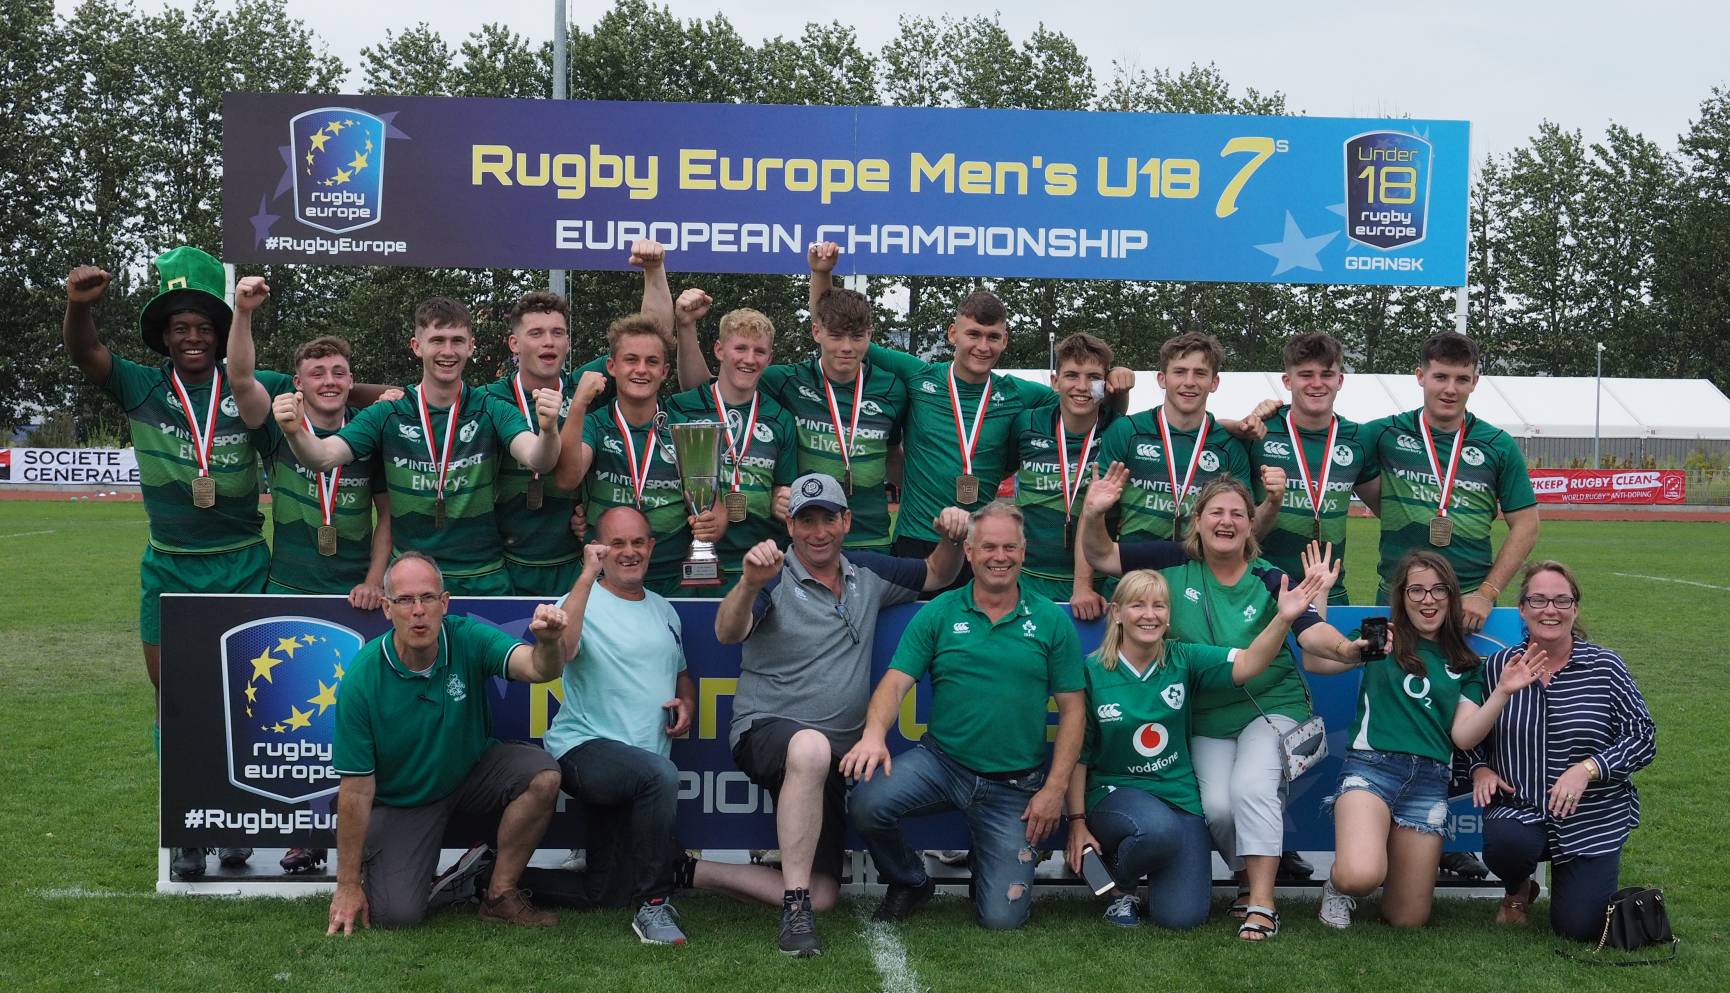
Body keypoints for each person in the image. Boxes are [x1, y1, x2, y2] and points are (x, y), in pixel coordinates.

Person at [62, 248, 293, 880]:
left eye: (203, 327)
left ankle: (235, 818)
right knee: (175, 701)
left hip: (244, 564)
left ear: (221, 334)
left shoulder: (257, 386)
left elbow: (330, 389)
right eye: (179, 328)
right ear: (164, 336)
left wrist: (400, 397)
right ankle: (187, 826)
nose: (192, 337)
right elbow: (86, 354)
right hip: (168, 569)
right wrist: (80, 306)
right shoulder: (141, 385)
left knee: (246, 700)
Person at [1080, 467, 1374, 939]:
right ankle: (1244, 876)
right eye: (1215, 511)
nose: (1227, 521)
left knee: (1251, 787)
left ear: (1251, 524)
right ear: (1197, 520)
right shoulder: (1169, 560)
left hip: (1271, 706)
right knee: (1216, 805)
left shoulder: (1271, 576)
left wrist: (1347, 649)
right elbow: (1099, 552)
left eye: (1238, 513)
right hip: (1205, 715)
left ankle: (1262, 901)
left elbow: (1310, 630)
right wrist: (1094, 512)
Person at [688, 473, 968, 956]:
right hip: (765, 732)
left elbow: (938, 574)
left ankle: (690, 871)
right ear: (791, 527)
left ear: (846, 521)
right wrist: (747, 583)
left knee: (826, 894)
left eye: (828, 520)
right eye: (806, 521)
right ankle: (793, 911)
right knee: (811, 747)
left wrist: (953, 538)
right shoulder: (771, 575)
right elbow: (728, 633)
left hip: (831, 762)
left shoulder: (868, 572)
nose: (818, 532)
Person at [804, 243, 1135, 574]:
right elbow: (842, 329)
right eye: (973, 334)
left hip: (982, 548)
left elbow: (1088, 406)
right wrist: (822, 273)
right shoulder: (919, 377)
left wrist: (1115, 387)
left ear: (1005, 340)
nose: (982, 346)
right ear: (953, 334)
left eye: (993, 337)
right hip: (918, 539)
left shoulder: (1018, 393)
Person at [844, 500, 1085, 931]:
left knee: (1002, 919)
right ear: (969, 553)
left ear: (1024, 551)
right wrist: (874, 735)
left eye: (1010, 547)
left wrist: (1054, 789)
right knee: (866, 801)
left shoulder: (1050, 619)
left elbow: (1073, 710)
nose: (1000, 557)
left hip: (1016, 786)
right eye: (989, 547)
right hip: (943, 765)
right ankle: (910, 880)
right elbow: (896, 682)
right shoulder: (939, 612)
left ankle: (988, 857)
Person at [1064, 565, 1329, 930]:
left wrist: (1284, 618)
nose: (1150, 615)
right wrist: (1076, 822)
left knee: (1182, 917)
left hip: (1178, 796)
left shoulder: (1183, 658)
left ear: (1169, 615)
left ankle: (1139, 866)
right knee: (1157, 830)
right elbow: (1078, 754)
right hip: (1116, 793)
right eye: (1138, 605)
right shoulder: (1092, 671)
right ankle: (1117, 887)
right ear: (1117, 613)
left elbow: (1250, 662)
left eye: (1159, 606)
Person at [326, 552, 569, 932]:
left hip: (469, 773)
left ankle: (499, 893)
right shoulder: (361, 680)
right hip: (405, 801)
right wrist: (346, 886)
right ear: (387, 609)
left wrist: (550, 642)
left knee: (543, 776)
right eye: (405, 600)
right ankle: (446, 871)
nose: (418, 611)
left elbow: (538, 668)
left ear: (445, 603)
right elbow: (355, 792)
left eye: (427, 598)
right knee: (397, 917)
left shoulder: (466, 636)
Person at [1309, 550, 1545, 929]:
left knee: (1408, 918)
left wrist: (1502, 692)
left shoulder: (1466, 662)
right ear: (1401, 597)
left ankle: (1381, 857)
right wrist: (1319, 594)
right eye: (1416, 590)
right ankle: (1340, 885)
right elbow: (1316, 661)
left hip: (1428, 783)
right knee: (1360, 876)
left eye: (1438, 590)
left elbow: (1463, 736)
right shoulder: (1380, 636)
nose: (1427, 600)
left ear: (1451, 596)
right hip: (1371, 771)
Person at [275, 298, 562, 594]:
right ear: (417, 346)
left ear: (471, 346)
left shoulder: (491, 409)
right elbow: (322, 457)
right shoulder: (388, 413)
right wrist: (295, 432)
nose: (448, 351)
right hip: (411, 581)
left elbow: (538, 459)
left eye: (457, 341)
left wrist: (548, 429)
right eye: (437, 340)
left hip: (481, 577)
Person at [514, 508, 698, 944]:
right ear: (599, 549)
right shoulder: (579, 600)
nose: (629, 552)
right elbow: (566, 649)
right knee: (660, 775)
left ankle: (491, 874)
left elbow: (681, 672)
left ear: (651, 548)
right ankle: (655, 906)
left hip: (638, 768)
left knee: (606, 892)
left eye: (638, 543)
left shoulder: (666, 610)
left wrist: (687, 701)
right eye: (616, 544)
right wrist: (585, 575)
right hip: (585, 750)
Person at [1466, 561, 1656, 939]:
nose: (1549, 610)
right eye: (1537, 600)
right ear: (1521, 609)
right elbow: (1467, 735)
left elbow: (1643, 736)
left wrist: (1589, 768)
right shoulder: (1499, 667)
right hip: (1518, 810)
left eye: (1560, 600)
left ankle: (1579, 885)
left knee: (1579, 928)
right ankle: (1518, 888)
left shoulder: (1606, 666)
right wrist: (1479, 769)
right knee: (1507, 844)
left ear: (1575, 609)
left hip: (1592, 818)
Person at [484, 242, 672, 595]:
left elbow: (651, 338)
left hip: (574, 557)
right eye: (536, 334)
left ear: (568, 341)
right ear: (514, 343)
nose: (548, 343)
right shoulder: (489, 398)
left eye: (558, 333)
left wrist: (654, 270)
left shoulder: (584, 385)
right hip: (506, 560)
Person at [685, 276, 906, 551]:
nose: (846, 347)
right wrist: (685, 326)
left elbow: (894, 453)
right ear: (816, 332)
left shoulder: (893, 388)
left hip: (872, 537)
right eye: (836, 336)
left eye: (857, 337)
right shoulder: (785, 381)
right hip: (809, 538)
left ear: (870, 335)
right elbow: (703, 392)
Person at [1359, 331, 1538, 629]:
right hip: (1399, 596)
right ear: (1420, 376)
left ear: (1475, 382)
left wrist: (1487, 593)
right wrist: (1270, 414)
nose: (1450, 389)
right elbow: (1322, 434)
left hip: (1469, 603)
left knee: (1476, 677)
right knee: (1390, 676)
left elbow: (1527, 525)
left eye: (1462, 379)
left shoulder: (1498, 444)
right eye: (1440, 377)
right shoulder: (1383, 434)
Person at [556, 313, 726, 597]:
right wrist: (578, 404)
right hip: (605, 575)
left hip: (672, 574)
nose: (641, 370)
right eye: (631, 360)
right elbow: (566, 478)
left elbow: (713, 505)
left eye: (652, 362)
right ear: (612, 366)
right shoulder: (595, 423)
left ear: (665, 371)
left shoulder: (683, 427)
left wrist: (712, 525)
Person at [665, 292, 799, 593]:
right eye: (740, 348)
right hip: (693, 562)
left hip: (764, 563)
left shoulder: (780, 419)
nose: (749, 359)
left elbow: (784, 484)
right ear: (720, 350)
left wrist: (784, 498)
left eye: (759, 351)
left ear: (770, 358)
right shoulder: (682, 408)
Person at [1248, 332, 1382, 606]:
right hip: (1262, 588)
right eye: (1306, 374)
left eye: (1327, 374)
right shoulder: (1259, 431)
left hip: (1330, 591)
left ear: (1340, 380)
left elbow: (1387, 510)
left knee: (1327, 650)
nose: (1317, 384)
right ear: (1287, 380)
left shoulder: (1358, 439)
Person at [1094, 331, 1257, 544]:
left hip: (1199, 570)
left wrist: (1273, 501)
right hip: (1134, 571)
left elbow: (1244, 523)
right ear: (1162, 379)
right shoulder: (1126, 431)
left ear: (1214, 382)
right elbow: (1096, 512)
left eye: (1200, 373)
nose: (1189, 382)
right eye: (1179, 372)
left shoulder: (1229, 447)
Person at [1012, 332, 1116, 617]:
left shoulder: (1120, 432)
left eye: (1093, 377)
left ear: (1106, 385)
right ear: (1055, 382)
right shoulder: (1026, 424)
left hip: (1095, 585)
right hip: (1028, 576)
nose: (1082, 387)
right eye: (1072, 375)